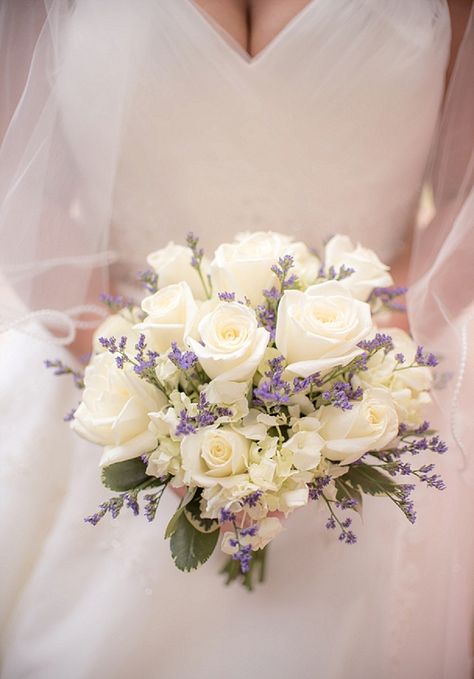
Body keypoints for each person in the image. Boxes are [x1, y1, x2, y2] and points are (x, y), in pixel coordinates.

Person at [0, 2, 473, 678]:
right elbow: (22, 182)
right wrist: (139, 391)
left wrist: (340, 380)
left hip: (381, 376)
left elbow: (467, 191)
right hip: (101, 361)